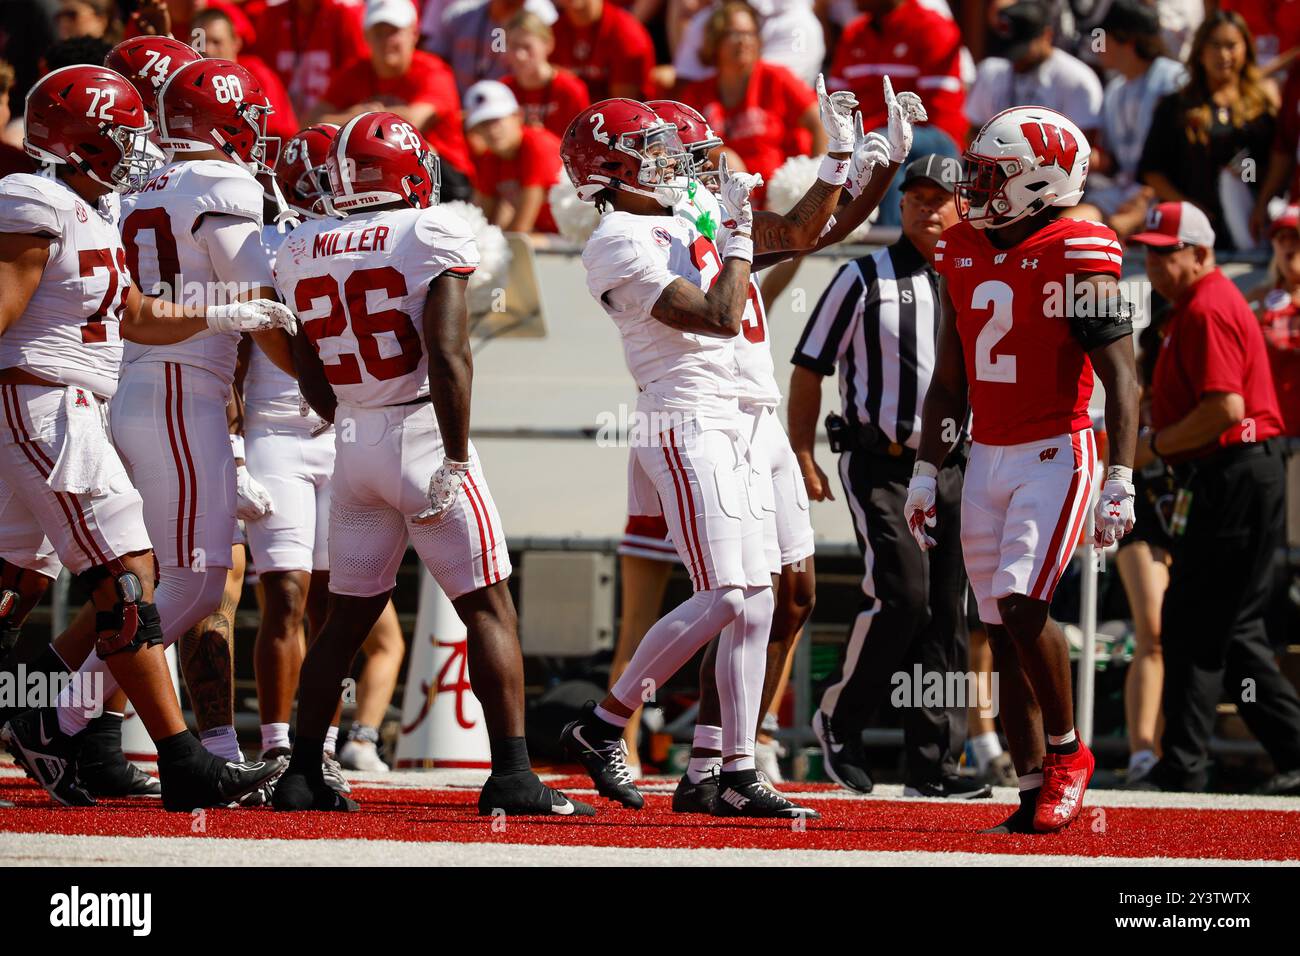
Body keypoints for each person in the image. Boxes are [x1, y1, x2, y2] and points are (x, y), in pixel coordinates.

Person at [271, 110, 588, 817]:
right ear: (408, 169)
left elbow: (313, 380)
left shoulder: (298, 247)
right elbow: (447, 353)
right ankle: (510, 774)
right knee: (488, 606)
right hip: (420, 428)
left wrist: (358, 416)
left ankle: (300, 772)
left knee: (344, 621)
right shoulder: (430, 230)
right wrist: (451, 454)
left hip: (353, 442)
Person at [0, 63, 293, 810]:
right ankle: (171, 756)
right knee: (132, 578)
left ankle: (65, 722)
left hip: (77, 403)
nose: (137, 150)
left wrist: (226, 315)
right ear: (82, 141)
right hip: (41, 404)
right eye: (120, 136)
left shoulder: (86, 206)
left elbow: (134, 313)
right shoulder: (31, 198)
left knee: (18, 585)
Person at [646, 81, 914, 806]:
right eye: (693, 155)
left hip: (752, 415)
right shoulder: (656, 234)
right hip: (711, 417)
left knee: (792, 595)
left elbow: (808, 232)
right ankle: (674, 745)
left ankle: (712, 756)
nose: (712, 164)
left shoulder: (706, 217)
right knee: (741, 595)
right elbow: (725, 300)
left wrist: (874, 168)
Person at [561, 97, 819, 818]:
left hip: (732, 417)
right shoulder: (614, 237)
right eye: (648, 146)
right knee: (727, 594)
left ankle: (733, 767)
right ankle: (604, 721)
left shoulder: (678, 214)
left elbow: (799, 234)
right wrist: (737, 236)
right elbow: (718, 316)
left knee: (760, 598)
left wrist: (847, 165)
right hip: (684, 417)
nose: (668, 155)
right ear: (612, 166)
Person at [907, 106, 1141, 833]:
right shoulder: (965, 248)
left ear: (1039, 182)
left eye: (989, 175)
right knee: (999, 628)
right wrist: (925, 469)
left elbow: (1123, 380)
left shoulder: (1079, 247)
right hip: (986, 452)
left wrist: (1121, 475)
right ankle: (1033, 784)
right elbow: (950, 380)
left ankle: (1071, 754)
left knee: (1019, 604)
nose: (973, 188)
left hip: (1056, 450)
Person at [791, 153, 992, 800]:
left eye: (940, 198)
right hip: (880, 463)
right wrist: (801, 450)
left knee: (945, 614)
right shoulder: (861, 276)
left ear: (964, 205)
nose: (927, 209)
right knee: (903, 593)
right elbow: (808, 365)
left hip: (956, 464)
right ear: (899, 205)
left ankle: (932, 766)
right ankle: (838, 719)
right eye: (915, 198)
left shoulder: (980, 274)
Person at [1127, 201, 1300, 795]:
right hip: (1235, 472)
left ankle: (1183, 764)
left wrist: (1154, 447)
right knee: (1226, 626)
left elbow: (1224, 407)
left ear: (1200, 253)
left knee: (1198, 621)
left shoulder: (1206, 308)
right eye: (1148, 250)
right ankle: (1286, 752)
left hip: (1236, 470)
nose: (1153, 262)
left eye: (1165, 251)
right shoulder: (1194, 308)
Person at [1138, 9, 1278, 250]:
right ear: (1200, 51)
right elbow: (1152, 170)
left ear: (1246, 49)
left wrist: (1261, 203)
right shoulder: (1175, 106)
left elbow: (1277, 162)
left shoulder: (1262, 106)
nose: (1223, 55)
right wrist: (1189, 209)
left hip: (1252, 229)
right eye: (1214, 45)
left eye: (1231, 45)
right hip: (1191, 233)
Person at [310, 0, 474, 200]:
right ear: (366, 37)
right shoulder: (353, 73)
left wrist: (360, 118)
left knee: (414, 149)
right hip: (383, 174)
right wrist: (357, 117)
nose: (386, 40)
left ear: (413, 34)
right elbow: (311, 124)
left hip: (445, 181)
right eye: (379, 33)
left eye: (394, 32)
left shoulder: (433, 72)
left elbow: (414, 121)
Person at [675, 1, 824, 209]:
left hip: (778, 205)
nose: (744, 41)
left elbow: (821, 122)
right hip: (721, 205)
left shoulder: (776, 79)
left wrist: (820, 186)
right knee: (725, 158)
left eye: (750, 34)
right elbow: (681, 150)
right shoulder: (697, 94)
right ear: (716, 40)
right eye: (734, 34)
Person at [1087, 0, 1185, 238]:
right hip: (1123, 189)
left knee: (1112, 231)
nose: (1096, 46)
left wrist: (1147, 195)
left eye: (1103, 38)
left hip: (1166, 192)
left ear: (1127, 40)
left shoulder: (1174, 80)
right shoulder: (1114, 90)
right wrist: (1098, 160)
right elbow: (1116, 162)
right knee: (1075, 224)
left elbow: (1184, 157)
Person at [965, 2, 1103, 145]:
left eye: (1022, 51)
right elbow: (974, 133)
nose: (1016, 60)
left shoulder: (1075, 79)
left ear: (1047, 35)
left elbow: (1085, 150)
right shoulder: (991, 70)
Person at [190, 7, 300, 144]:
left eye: (216, 42)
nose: (206, 49)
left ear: (235, 43)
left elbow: (280, 135)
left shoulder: (256, 77)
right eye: (199, 42)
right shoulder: (186, 80)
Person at [464, 80, 562, 233]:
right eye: (483, 124)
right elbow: (481, 216)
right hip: (548, 235)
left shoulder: (537, 146)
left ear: (518, 116)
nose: (491, 130)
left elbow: (522, 228)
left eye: (496, 120)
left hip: (574, 238)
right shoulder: (490, 158)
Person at [252, 0, 370, 116]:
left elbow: (359, 77)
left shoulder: (347, 12)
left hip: (331, 125)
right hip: (284, 125)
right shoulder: (271, 15)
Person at [501, 10, 590, 139]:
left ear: (548, 45)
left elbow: (584, 142)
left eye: (527, 47)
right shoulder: (503, 90)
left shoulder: (570, 90)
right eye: (513, 46)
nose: (520, 55)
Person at [551, 0, 655, 102]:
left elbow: (624, 106)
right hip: (576, 114)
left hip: (619, 115)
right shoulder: (554, 33)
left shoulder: (625, 33)